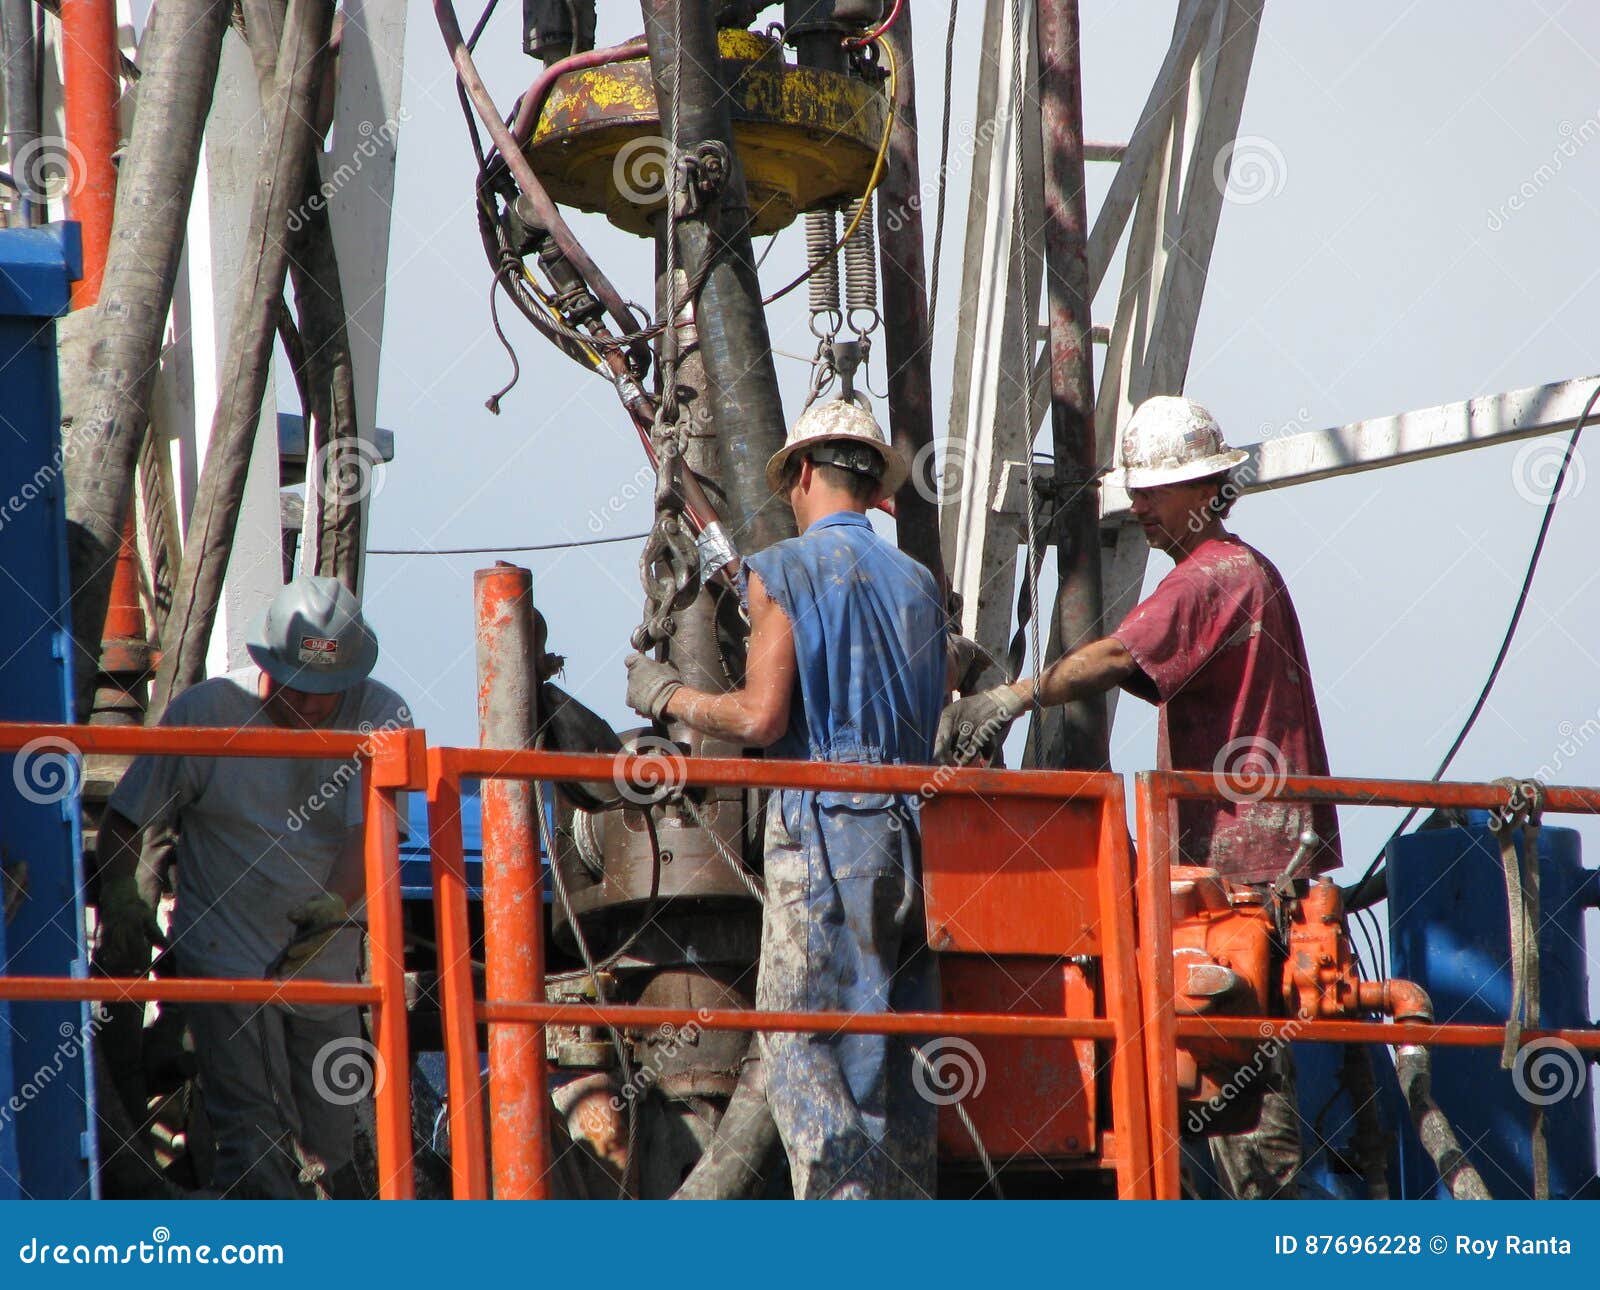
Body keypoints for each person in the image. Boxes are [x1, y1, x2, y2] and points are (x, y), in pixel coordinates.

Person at [937, 394, 1340, 1199]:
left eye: (1156, 493)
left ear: (1206, 490)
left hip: (1246, 875)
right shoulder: (1240, 573)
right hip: (1253, 863)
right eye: (1138, 494)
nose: (1142, 510)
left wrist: (1011, 697)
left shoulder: (1213, 574)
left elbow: (1119, 655)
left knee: (1243, 1110)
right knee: (1216, 1097)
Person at [625, 397, 948, 1199]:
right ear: (874, 487)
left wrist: (667, 695)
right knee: (892, 1046)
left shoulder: (782, 568)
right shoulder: (919, 584)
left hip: (825, 825)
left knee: (800, 1035)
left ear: (803, 472)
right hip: (919, 837)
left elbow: (761, 718)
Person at [97, 575, 412, 1198]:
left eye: (328, 691)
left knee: (331, 1135)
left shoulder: (380, 715)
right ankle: (268, 1241)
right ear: (267, 661)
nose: (313, 706)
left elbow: (371, 835)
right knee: (253, 1130)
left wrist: (334, 904)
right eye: (298, 686)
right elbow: (128, 817)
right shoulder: (207, 714)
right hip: (227, 961)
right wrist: (122, 898)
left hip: (323, 963)